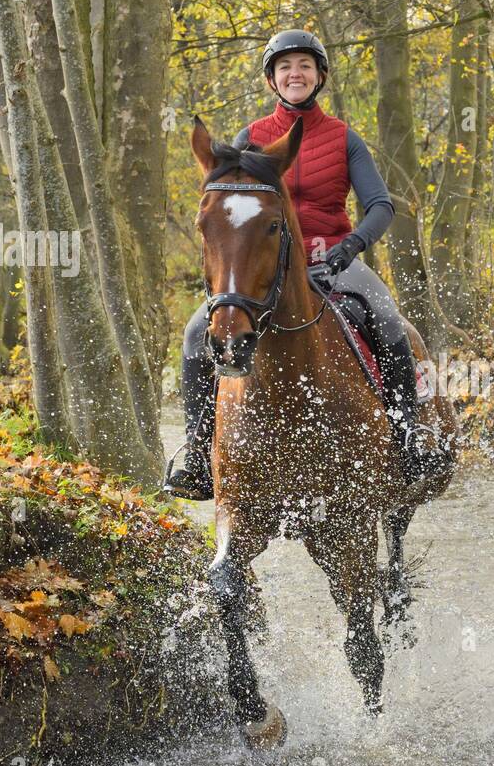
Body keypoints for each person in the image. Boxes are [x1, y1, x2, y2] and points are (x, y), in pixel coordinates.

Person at [164, 28, 440, 499]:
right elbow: (231, 206)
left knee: (388, 320)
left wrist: (350, 246)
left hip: (333, 260)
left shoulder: (344, 139)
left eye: (305, 66)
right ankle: (196, 448)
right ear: (272, 79)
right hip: (267, 267)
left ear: (320, 77)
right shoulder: (251, 137)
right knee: (196, 332)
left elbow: (380, 206)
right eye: (285, 67)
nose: (296, 74)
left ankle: (407, 432)